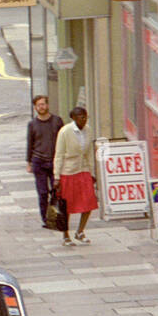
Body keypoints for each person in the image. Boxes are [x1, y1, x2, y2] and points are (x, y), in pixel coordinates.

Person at [53, 105, 98, 246]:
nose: (84, 120)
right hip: (68, 171)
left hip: (83, 169)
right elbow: (59, 155)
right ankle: (65, 235)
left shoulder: (89, 130)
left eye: (85, 117)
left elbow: (90, 152)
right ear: (73, 118)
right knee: (67, 207)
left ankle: (80, 231)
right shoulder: (65, 132)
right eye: (80, 117)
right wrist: (57, 176)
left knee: (89, 202)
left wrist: (91, 172)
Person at [26, 94, 64, 227]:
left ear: (47, 105)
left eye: (43, 104)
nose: (41, 107)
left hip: (55, 161)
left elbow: (62, 141)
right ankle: (45, 219)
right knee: (42, 193)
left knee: (57, 192)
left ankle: (57, 216)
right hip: (39, 161)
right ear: (35, 108)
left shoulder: (57, 121)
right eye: (39, 105)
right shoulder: (32, 124)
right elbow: (30, 143)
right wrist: (29, 163)